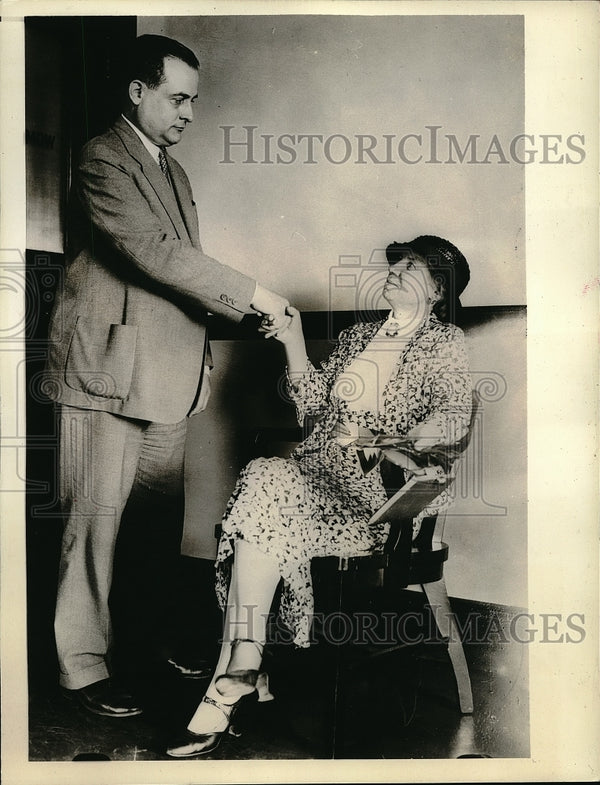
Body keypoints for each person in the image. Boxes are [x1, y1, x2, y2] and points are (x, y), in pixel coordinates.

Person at [44, 34, 289, 718]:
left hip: (169, 376)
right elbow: (154, 254)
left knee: (152, 532)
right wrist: (257, 296)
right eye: (177, 99)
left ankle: (141, 648)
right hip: (107, 374)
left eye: (194, 101)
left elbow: (183, 269)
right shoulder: (102, 157)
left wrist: (228, 328)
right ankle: (81, 668)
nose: (188, 113)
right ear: (137, 92)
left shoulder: (173, 172)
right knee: (94, 528)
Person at [166, 235, 473, 757]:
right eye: (396, 263)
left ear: (439, 289)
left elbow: (452, 417)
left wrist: (380, 439)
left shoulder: (446, 343)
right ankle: (246, 656)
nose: (396, 270)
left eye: (412, 266)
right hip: (314, 481)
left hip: (378, 501)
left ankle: (233, 678)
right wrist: (293, 337)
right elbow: (312, 409)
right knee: (266, 476)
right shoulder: (359, 337)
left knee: (258, 514)